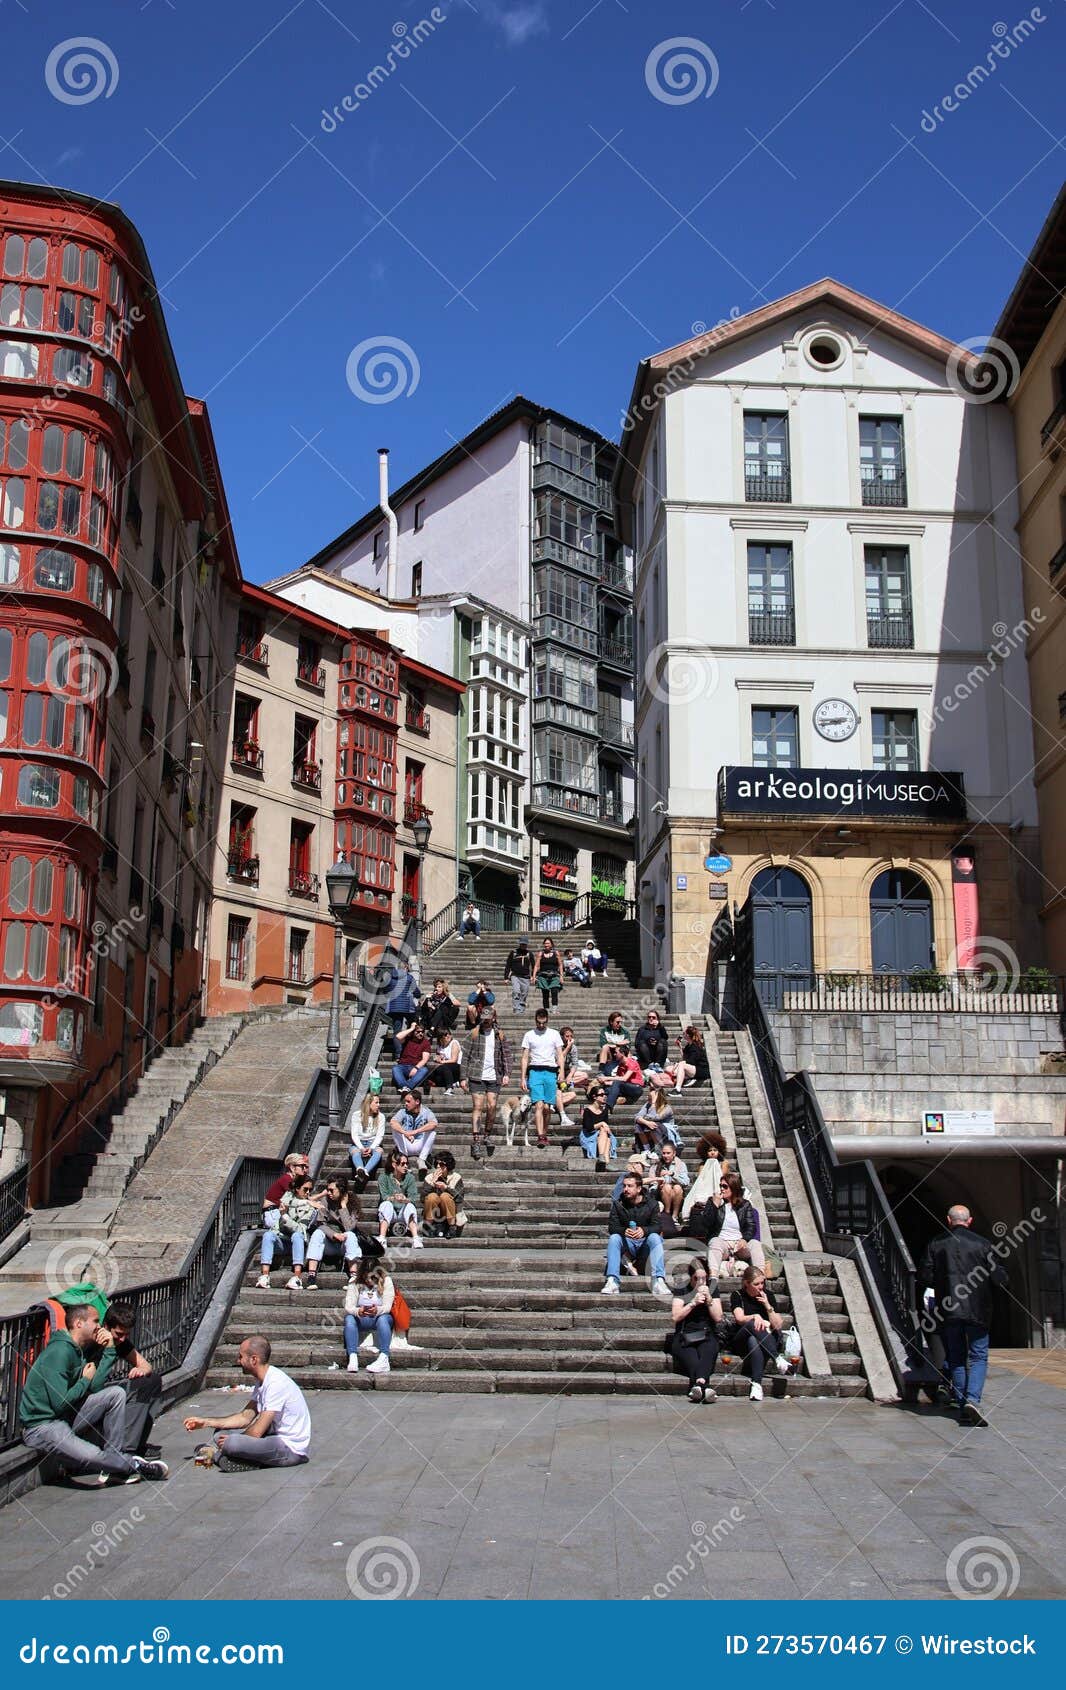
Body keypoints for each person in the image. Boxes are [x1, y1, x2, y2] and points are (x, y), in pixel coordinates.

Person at [20, 1302, 170, 1485]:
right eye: (95, 1321)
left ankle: (116, 1462)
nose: (98, 1326)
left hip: (66, 1414)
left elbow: (95, 1386)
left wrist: (108, 1352)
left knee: (115, 1394)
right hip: (44, 1425)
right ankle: (132, 1465)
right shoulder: (60, 1352)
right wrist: (85, 1380)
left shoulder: (77, 1349)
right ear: (78, 1323)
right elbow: (61, 1403)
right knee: (92, 1455)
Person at [919, 1203, 1007, 1427]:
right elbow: (998, 1277)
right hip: (978, 1309)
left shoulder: (936, 1243)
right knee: (978, 1356)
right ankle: (973, 1400)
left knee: (956, 1357)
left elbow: (925, 1276)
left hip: (949, 1309)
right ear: (969, 1221)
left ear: (948, 1220)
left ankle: (962, 1404)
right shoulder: (983, 1243)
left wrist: (943, 1282)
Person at [183, 1336, 310, 1467]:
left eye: (241, 1356)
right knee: (220, 1433)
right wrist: (206, 1422)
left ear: (254, 1359)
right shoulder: (262, 1380)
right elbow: (245, 1417)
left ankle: (220, 1455)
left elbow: (257, 1431)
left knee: (231, 1443)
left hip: (290, 1449)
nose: (238, 1361)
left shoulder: (275, 1383)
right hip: (272, 1438)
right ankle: (230, 1457)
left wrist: (235, 1442)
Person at [98, 1301, 163, 1458]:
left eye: (126, 1334)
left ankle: (137, 1444)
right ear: (106, 1326)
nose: (122, 1339)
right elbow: (94, 1382)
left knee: (152, 1380)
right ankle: (126, 1451)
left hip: (107, 1391)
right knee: (138, 1386)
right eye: (118, 1334)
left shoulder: (120, 1341)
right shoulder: (96, 1340)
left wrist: (140, 1370)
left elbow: (146, 1366)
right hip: (92, 1395)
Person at [602, 1170, 670, 1296]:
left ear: (639, 1188)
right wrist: (624, 1231)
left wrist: (644, 1230)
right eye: (624, 1186)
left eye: (630, 1186)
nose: (625, 1189)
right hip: (628, 1244)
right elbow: (612, 1227)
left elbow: (658, 1226)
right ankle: (612, 1281)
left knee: (655, 1237)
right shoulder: (618, 1203)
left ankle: (658, 1280)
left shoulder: (652, 1204)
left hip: (645, 1245)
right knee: (614, 1238)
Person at [728, 1264, 786, 1402]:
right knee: (752, 1326)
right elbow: (740, 1318)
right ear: (746, 1283)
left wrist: (767, 1306)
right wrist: (755, 1316)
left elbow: (777, 1325)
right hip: (742, 1338)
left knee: (754, 1340)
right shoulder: (738, 1295)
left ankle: (756, 1384)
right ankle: (777, 1358)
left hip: (766, 1338)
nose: (761, 1287)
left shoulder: (768, 1295)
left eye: (762, 1283)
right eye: (756, 1284)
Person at [670, 1259, 723, 1402]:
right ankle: (705, 1387)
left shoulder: (712, 1287)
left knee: (707, 1354)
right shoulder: (682, 1288)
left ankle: (698, 1386)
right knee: (694, 1361)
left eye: (704, 1278)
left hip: (707, 1334)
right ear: (690, 1277)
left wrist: (709, 1300)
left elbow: (718, 1317)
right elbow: (676, 1316)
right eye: (696, 1278)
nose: (700, 1282)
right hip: (685, 1336)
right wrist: (692, 1303)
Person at [462, 1011, 511, 1159]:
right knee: (478, 1106)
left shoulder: (499, 1035)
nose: (485, 1022)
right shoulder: (474, 1033)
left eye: (488, 1019)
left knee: (492, 1106)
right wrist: (462, 1077)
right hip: (477, 1075)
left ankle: (487, 1135)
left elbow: (506, 1055)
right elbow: (465, 1056)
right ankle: (476, 1140)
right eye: (483, 1019)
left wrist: (507, 1073)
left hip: (494, 1076)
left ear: (493, 1018)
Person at [304, 1177, 363, 1289]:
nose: (328, 1192)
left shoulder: (353, 1203)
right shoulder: (325, 1201)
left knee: (351, 1235)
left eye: (332, 1190)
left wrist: (343, 1206)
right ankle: (311, 1275)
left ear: (341, 1190)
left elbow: (349, 1227)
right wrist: (333, 1234)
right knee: (317, 1233)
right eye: (328, 1189)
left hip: (345, 1244)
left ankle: (353, 1276)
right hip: (329, 1242)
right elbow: (320, 1224)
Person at [520, 1006, 565, 1149]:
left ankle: (544, 1134)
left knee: (547, 1107)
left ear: (547, 1020)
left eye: (543, 1023)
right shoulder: (529, 1035)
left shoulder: (554, 1034)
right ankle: (540, 1136)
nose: (541, 1025)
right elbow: (525, 1057)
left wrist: (562, 1071)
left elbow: (560, 1054)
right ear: (535, 1021)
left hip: (550, 1071)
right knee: (538, 1104)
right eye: (539, 1023)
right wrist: (522, 1077)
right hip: (535, 1071)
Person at [706, 1172, 766, 1278]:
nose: (722, 1189)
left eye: (725, 1186)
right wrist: (715, 1205)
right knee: (714, 1242)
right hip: (722, 1243)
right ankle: (713, 1277)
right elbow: (706, 1224)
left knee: (755, 1244)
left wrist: (744, 1239)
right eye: (720, 1186)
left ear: (734, 1188)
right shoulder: (713, 1202)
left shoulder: (745, 1205)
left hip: (739, 1244)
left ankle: (760, 1276)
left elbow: (751, 1226)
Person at [344, 1260, 395, 1374]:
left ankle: (384, 1357)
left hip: (380, 1316)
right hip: (362, 1317)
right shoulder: (354, 1282)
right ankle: (352, 1356)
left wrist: (377, 1310)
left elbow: (387, 1306)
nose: (369, 1281)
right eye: (366, 1277)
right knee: (349, 1319)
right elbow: (349, 1306)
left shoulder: (387, 1281)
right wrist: (358, 1311)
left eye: (372, 1278)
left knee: (383, 1319)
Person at [682, 1131, 732, 1226]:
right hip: (705, 1189)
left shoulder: (724, 1163)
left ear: (719, 1151)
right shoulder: (702, 1164)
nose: (712, 1152)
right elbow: (701, 1179)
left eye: (715, 1150)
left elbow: (722, 1177)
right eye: (710, 1150)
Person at [377, 1150, 424, 1247]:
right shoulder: (384, 1177)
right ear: (394, 1165)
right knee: (386, 1205)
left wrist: (405, 1199)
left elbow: (413, 1197)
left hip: (404, 1213)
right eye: (403, 1164)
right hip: (390, 1212)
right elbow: (384, 1196)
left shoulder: (409, 1177)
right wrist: (394, 1197)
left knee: (410, 1206)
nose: (406, 1166)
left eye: (407, 1163)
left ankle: (416, 1238)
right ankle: (382, 1238)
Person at [389, 1088, 438, 1169]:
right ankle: (404, 1156)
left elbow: (434, 1123)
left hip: (421, 1146)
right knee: (395, 1129)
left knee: (432, 1132)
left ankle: (421, 1160)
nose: (406, 1104)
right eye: (405, 1101)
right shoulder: (402, 1111)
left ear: (417, 1102)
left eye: (408, 1101)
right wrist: (405, 1133)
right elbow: (393, 1122)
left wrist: (415, 1132)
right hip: (406, 1145)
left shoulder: (426, 1111)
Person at [422, 1150, 466, 1237]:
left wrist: (446, 1188)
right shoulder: (429, 1178)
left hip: (450, 1210)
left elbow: (459, 1198)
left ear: (448, 1166)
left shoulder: (456, 1177)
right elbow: (422, 1198)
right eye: (437, 1164)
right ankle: (428, 1227)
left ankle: (451, 1227)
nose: (438, 1166)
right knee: (432, 1196)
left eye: (441, 1164)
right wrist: (432, 1183)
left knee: (445, 1196)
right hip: (434, 1211)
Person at [577, 1080, 616, 1171]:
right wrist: (601, 1124)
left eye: (605, 1094)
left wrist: (604, 1126)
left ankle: (603, 1159)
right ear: (594, 1097)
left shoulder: (605, 1109)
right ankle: (605, 1161)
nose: (604, 1096)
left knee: (606, 1136)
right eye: (601, 1095)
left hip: (601, 1135)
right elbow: (588, 1127)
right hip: (588, 1135)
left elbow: (605, 1124)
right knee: (604, 1132)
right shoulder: (588, 1110)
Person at [350, 1092, 386, 1187]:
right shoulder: (356, 1115)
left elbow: (380, 1135)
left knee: (379, 1150)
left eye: (379, 1102)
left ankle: (365, 1171)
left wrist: (372, 1147)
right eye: (376, 1102)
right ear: (369, 1103)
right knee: (355, 1151)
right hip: (359, 1143)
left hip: (373, 1143)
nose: (379, 1105)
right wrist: (361, 1148)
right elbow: (354, 1135)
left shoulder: (381, 1117)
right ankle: (360, 1168)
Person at [633, 1089, 681, 1158]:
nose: (648, 1098)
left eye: (651, 1097)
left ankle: (657, 1151)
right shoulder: (647, 1105)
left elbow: (655, 1117)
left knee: (655, 1124)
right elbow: (637, 1117)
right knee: (638, 1125)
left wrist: (653, 1104)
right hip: (650, 1132)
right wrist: (646, 1122)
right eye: (649, 1096)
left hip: (665, 1134)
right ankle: (646, 1150)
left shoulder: (667, 1108)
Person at [654, 1141, 690, 1223]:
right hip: (661, 1193)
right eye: (664, 1153)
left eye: (668, 1153)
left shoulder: (681, 1164)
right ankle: (667, 1214)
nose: (665, 1156)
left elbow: (686, 1182)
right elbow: (652, 1184)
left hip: (676, 1194)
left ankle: (675, 1216)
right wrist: (658, 1185)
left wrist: (672, 1174)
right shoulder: (657, 1165)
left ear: (674, 1153)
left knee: (677, 1187)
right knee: (667, 1187)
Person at [391, 1021, 433, 1092]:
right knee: (395, 1068)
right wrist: (411, 1028)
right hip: (403, 1065)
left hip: (416, 1066)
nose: (421, 1034)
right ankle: (404, 1086)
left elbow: (424, 1059)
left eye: (422, 1032)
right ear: (414, 1032)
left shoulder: (426, 1043)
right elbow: (398, 1036)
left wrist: (416, 1068)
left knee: (424, 1070)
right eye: (418, 1032)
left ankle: (407, 1087)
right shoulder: (407, 1039)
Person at [603, 1042, 645, 1111]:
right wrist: (605, 1082)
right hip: (625, 1087)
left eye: (616, 1052)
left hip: (636, 1088)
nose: (614, 1054)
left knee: (617, 1083)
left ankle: (608, 1106)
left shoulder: (632, 1062)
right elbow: (616, 1080)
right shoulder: (620, 1065)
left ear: (622, 1053)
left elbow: (624, 1079)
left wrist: (607, 1078)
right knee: (607, 1089)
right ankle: (622, 1099)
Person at [668, 1025, 710, 1091]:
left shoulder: (696, 1046)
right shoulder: (688, 1045)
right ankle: (685, 1078)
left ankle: (677, 1089)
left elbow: (691, 1061)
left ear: (688, 1035)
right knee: (668, 1068)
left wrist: (679, 1064)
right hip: (691, 1068)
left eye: (684, 1033)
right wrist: (680, 1047)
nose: (683, 1035)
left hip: (701, 1070)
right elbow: (685, 1058)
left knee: (680, 1065)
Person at [532, 936, 563, 1010]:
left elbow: (560, 964)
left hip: (554, 975)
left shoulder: (556, 953)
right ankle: (546, 1009)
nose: (546, 945)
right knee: (545, 993)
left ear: (551, 944)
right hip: (543, 976)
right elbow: (536, 966)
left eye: (548, 943)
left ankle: (554, 1009)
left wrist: (561, 976)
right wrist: (533, 976)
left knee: (554, 991)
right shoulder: (540, 953)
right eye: (545, 943)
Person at [504, 939, 534, 1014]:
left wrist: (533, 975)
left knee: (524, 993)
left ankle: (521, 1009)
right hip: (515, 975)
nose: (523, 946)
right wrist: (506, 977)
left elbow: (533, 965)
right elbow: (508, 965)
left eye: (525, 944)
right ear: (519, 944)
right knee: (516, 991)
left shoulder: (529, 953)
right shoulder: (513, 953)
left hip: (526, 976)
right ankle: (516, 1008)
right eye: (522, 944)